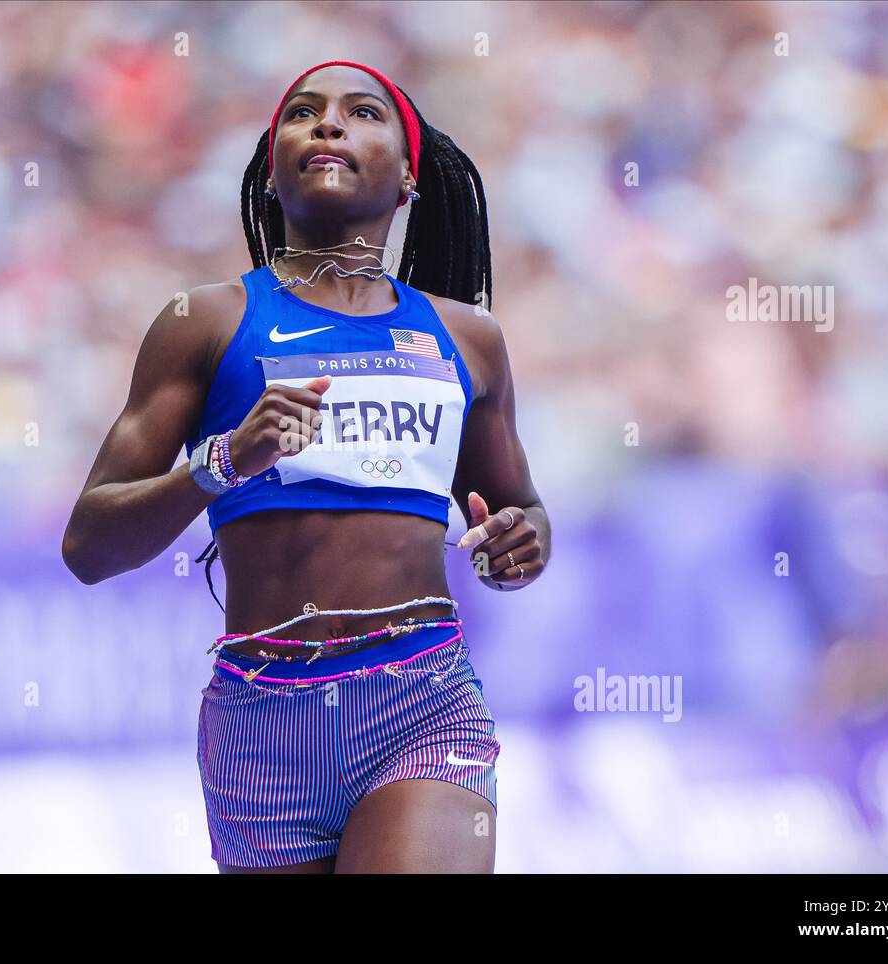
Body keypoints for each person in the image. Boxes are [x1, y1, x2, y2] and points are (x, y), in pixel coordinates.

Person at [62, 61, 550, 873]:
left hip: (421, 701)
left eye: (361, 113)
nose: (325, 125)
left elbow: (522, 512)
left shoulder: (467, 338)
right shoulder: (204, 322)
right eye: (301, 113)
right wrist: (224, 462)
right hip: (261, 724)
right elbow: (89, 547)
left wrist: (518, 544)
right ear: (272, 169)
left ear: (407, 181)